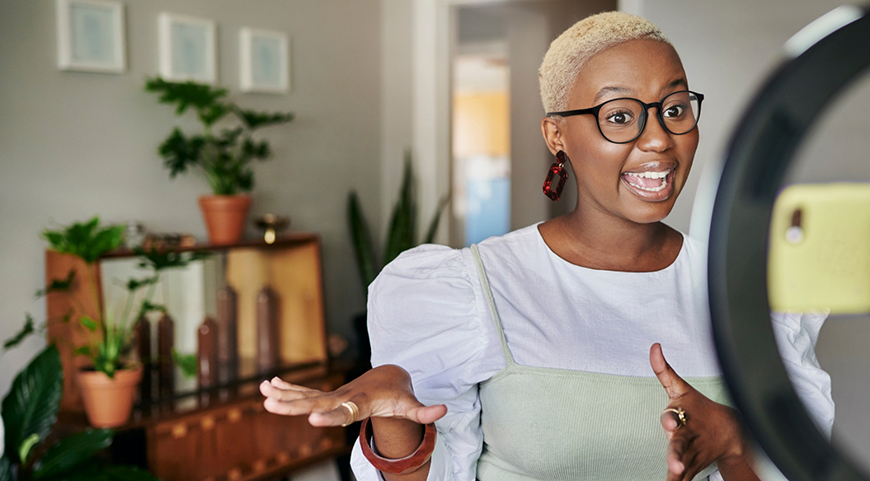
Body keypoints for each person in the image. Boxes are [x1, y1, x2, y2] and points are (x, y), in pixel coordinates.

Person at [260, 11, 833, 481]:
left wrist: (733, 442)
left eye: (675, 109)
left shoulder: (743, 293)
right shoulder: (472, 288)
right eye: (619, 116)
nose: (658, 138)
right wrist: (396, 427)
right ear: (557, 134)